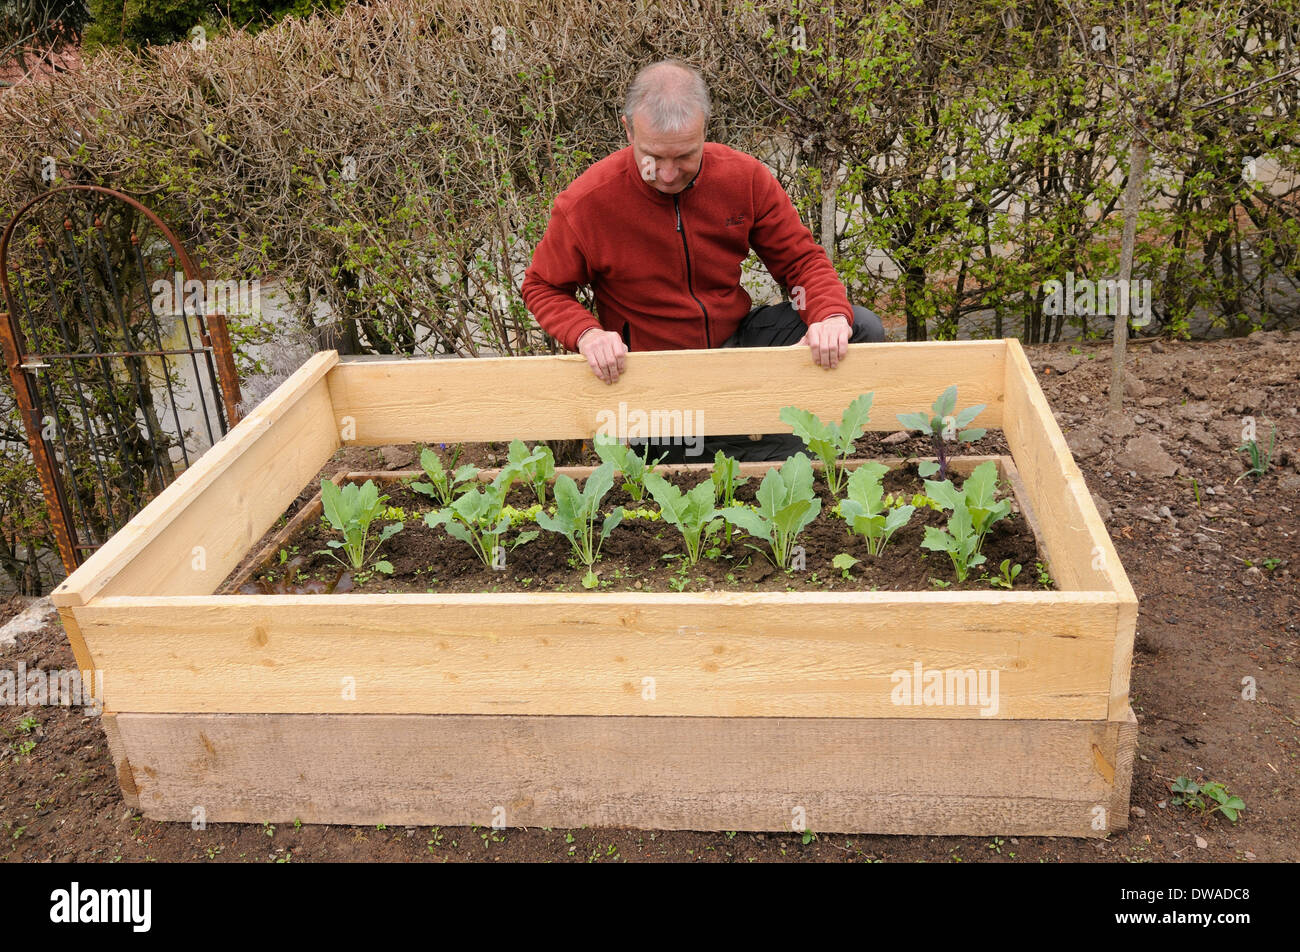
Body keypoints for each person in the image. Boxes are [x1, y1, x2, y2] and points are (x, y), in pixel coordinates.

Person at [521, 58, 886, 461]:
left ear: (705, 130)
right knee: (709, 468)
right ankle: (764, 447)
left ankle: (779, 440)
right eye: (653, 156)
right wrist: (587, 334)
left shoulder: (744, 178)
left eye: (684, 156)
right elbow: (543, 286)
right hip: (654, 374)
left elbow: (800, 262)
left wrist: (828, 315)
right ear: (628, 129)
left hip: (736, 345)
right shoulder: (588, 204)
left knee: (859, 329)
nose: (667, 174)